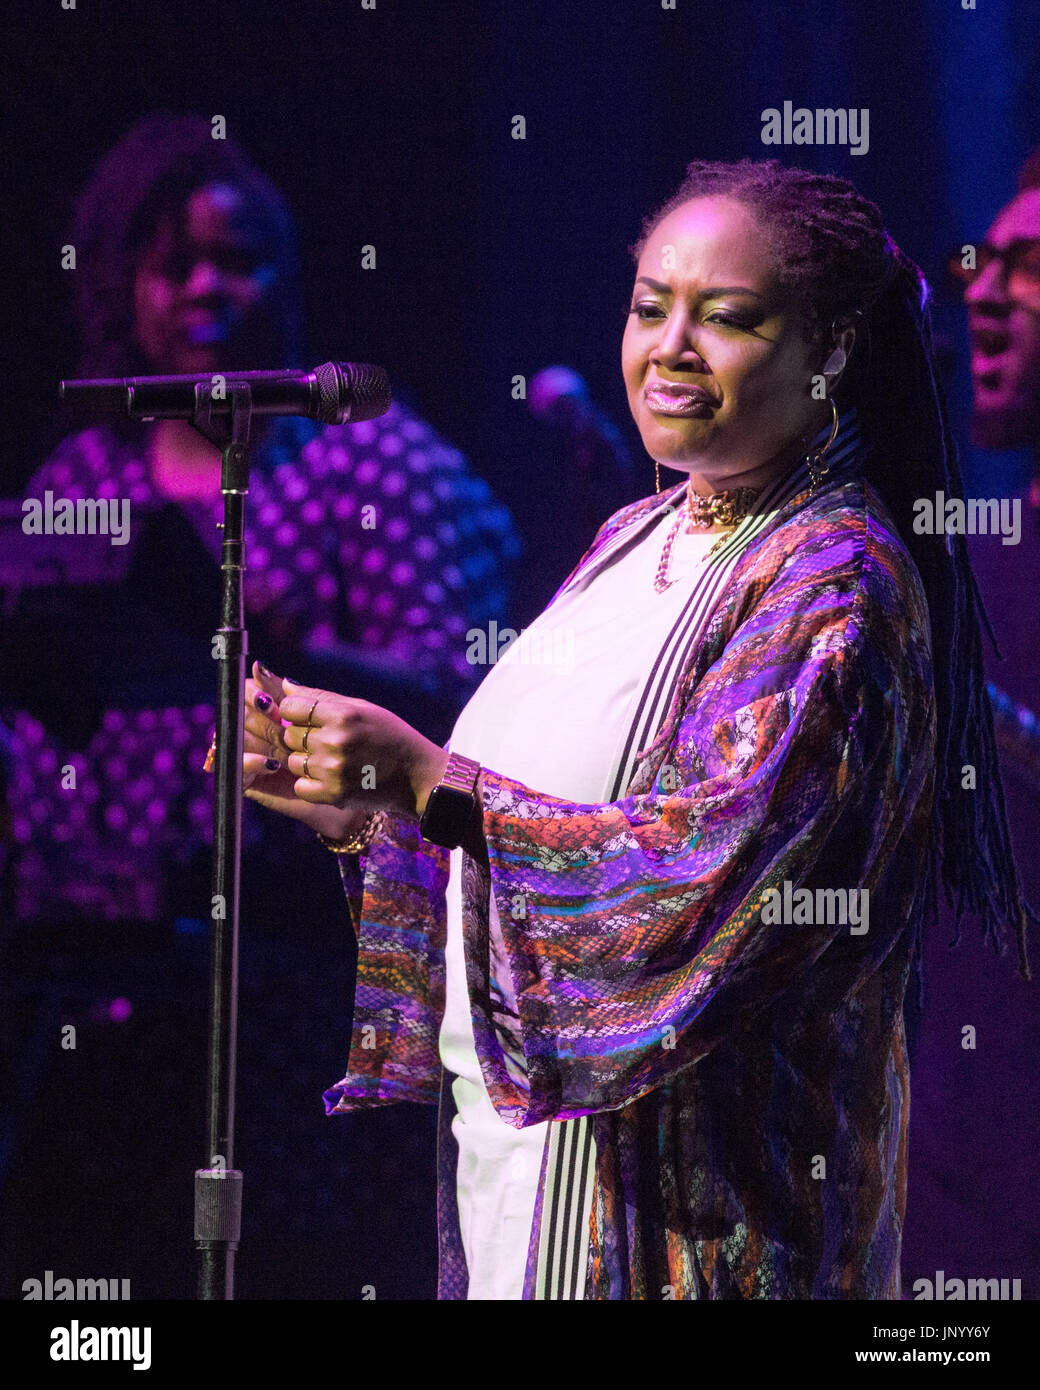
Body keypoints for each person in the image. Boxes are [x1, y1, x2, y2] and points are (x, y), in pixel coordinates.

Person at [233, 159, 1033, 1300]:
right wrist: (365, 815)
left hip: (700, 1235)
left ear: (833, 351)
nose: (670, 345)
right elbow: (518, 854)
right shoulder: (631, 538)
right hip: (523, 1187)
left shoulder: (832, 583)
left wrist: (422, 779)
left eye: (727, 317)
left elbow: (692, 881)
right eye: (650, 305)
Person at [2, 113, 519, 928]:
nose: (206, 286)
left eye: (236, 262)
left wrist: (297, 651)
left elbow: (466, 695)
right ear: (123, 286)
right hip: (92, 933)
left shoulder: (371, 461)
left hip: (305, 928)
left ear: (286, 277)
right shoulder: (88, 473)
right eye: (176, 266)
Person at [902, 148, 1040, 1296]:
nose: (982, 290)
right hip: (944, 1158)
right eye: (981, 264)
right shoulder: (974, 548)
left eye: (1029, 266)